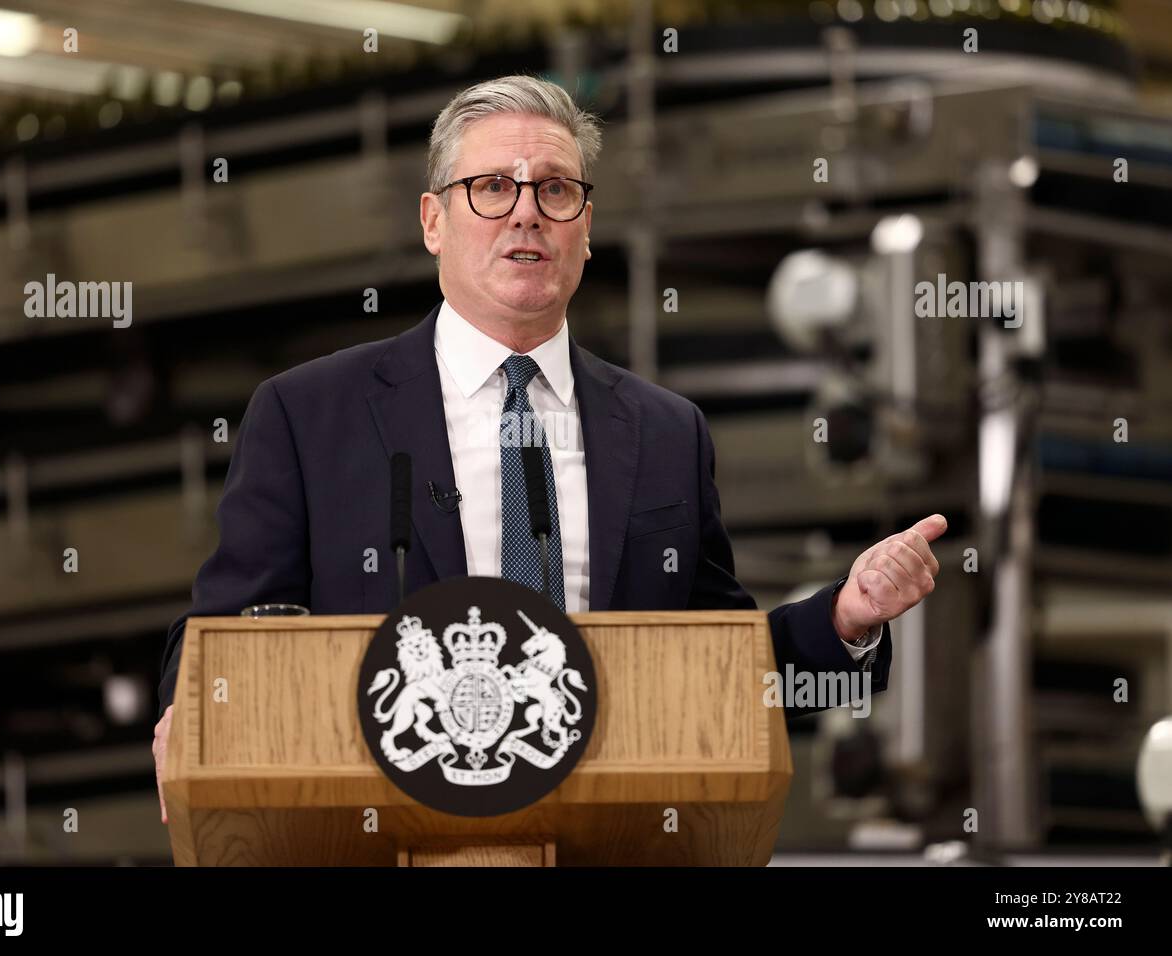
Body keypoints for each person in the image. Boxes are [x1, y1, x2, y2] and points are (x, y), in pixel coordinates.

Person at [153, 75, 945, 823]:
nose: (526, 213)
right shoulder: (310, 415)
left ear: (586, 230)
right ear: (434, 221)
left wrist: (844, 618)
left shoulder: (666, 431)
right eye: (494, 186)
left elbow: (717, 668)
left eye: (555, 190)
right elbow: (224, 632)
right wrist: (190, 709)